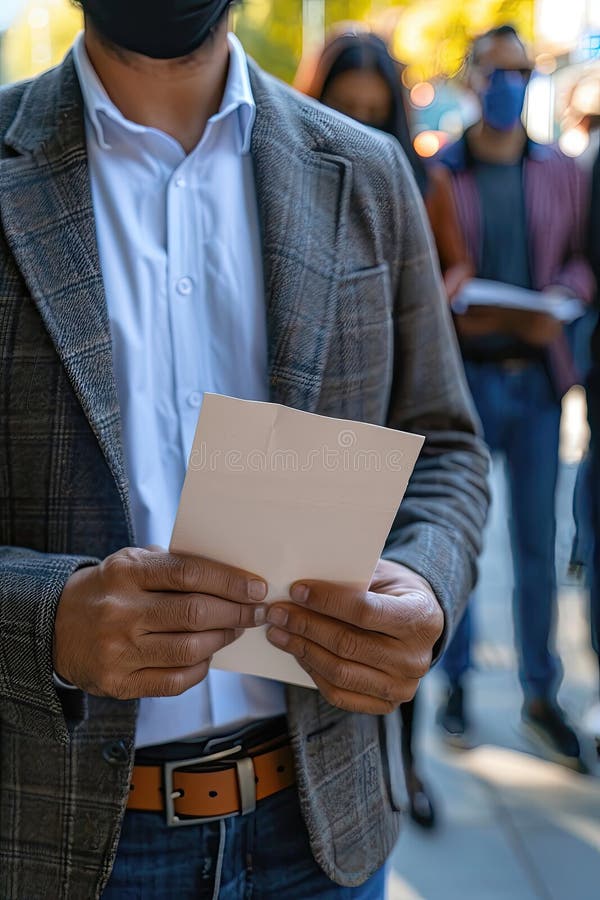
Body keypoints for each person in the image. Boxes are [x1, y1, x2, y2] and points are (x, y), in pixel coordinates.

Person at [0, 2, 489, 897]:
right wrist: (47, 622)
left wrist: (428, 584)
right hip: (54, 837)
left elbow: (448, 447)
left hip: (318, 823)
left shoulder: (368, 170)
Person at [296, 29, 476, 831]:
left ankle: (403, 763)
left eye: (377, 113)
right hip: (312, 457)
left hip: (394, 426)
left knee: (389, 620)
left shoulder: (406, 180)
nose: (363, 127)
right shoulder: (288, 178)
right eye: (346, 110)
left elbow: (447, 445)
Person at [430, 24, 595, 771]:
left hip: (535, 379)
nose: (512, 85)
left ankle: (539, 695)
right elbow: (424, 271)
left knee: (537, 547)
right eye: (500, 71)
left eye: (523, 72)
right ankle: (455, 685)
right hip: (462, 380)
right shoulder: (443, 173)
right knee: (457, 542)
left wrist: (568, 291)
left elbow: (585, 262)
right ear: (471, 78)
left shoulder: (562, 171)